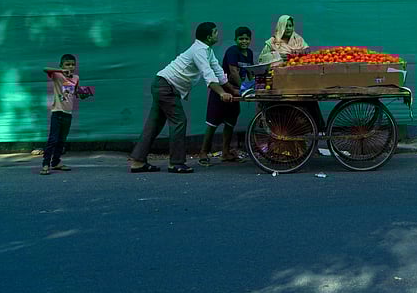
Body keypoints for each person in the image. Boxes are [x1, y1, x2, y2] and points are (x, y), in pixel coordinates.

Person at [128, 22, 239, 174]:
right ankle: (176, 163)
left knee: (154, 124)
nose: (217, 34)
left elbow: (218, 72)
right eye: (215, 32)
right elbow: (209, 75)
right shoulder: (199, 50)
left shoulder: (207, 51)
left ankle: (138, 161)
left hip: (163, 85)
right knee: (179, 121)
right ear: (208, 36)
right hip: (166, 87)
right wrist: (221, 93)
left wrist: (234, 91)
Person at [257, 15, 329, 156]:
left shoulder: (298, 40)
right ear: (280, 26)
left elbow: (309, 56)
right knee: (282, 116)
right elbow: (262, 60)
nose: (289, 28)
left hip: (299, 82)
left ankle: (300, 149)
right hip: (279, 84)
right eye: (286, 25)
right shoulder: (272, 42)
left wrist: (301, 53)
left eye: (291, 25)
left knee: (305, 109)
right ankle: (281, 150)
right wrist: (278, 57)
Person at [198, 26, 254, 165]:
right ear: (235, 40)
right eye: (241, 39)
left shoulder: (250, 53)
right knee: (213, 123)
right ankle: (203, 153)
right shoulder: (232, 51)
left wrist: (255, 84)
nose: (244, 41)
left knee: (230, 122)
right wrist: (243, 87)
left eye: (247, 39)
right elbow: (233, 72)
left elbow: (251, 72)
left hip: (235, 92)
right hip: (222, 90)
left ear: (250, 40)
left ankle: (225, 153)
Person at [40, 54, 80, 175]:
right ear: (61, 65)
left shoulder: (76, 77)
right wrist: (61, 71)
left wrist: (83, 93)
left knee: (62, 140)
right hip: (57, 112)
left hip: (68, 113)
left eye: (73, 64)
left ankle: (56, 162)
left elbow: (75, 91)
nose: (70, 66)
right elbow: (45, 69)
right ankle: (45, 164)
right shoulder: (57, 75)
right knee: (53, 139)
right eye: (67, 64)